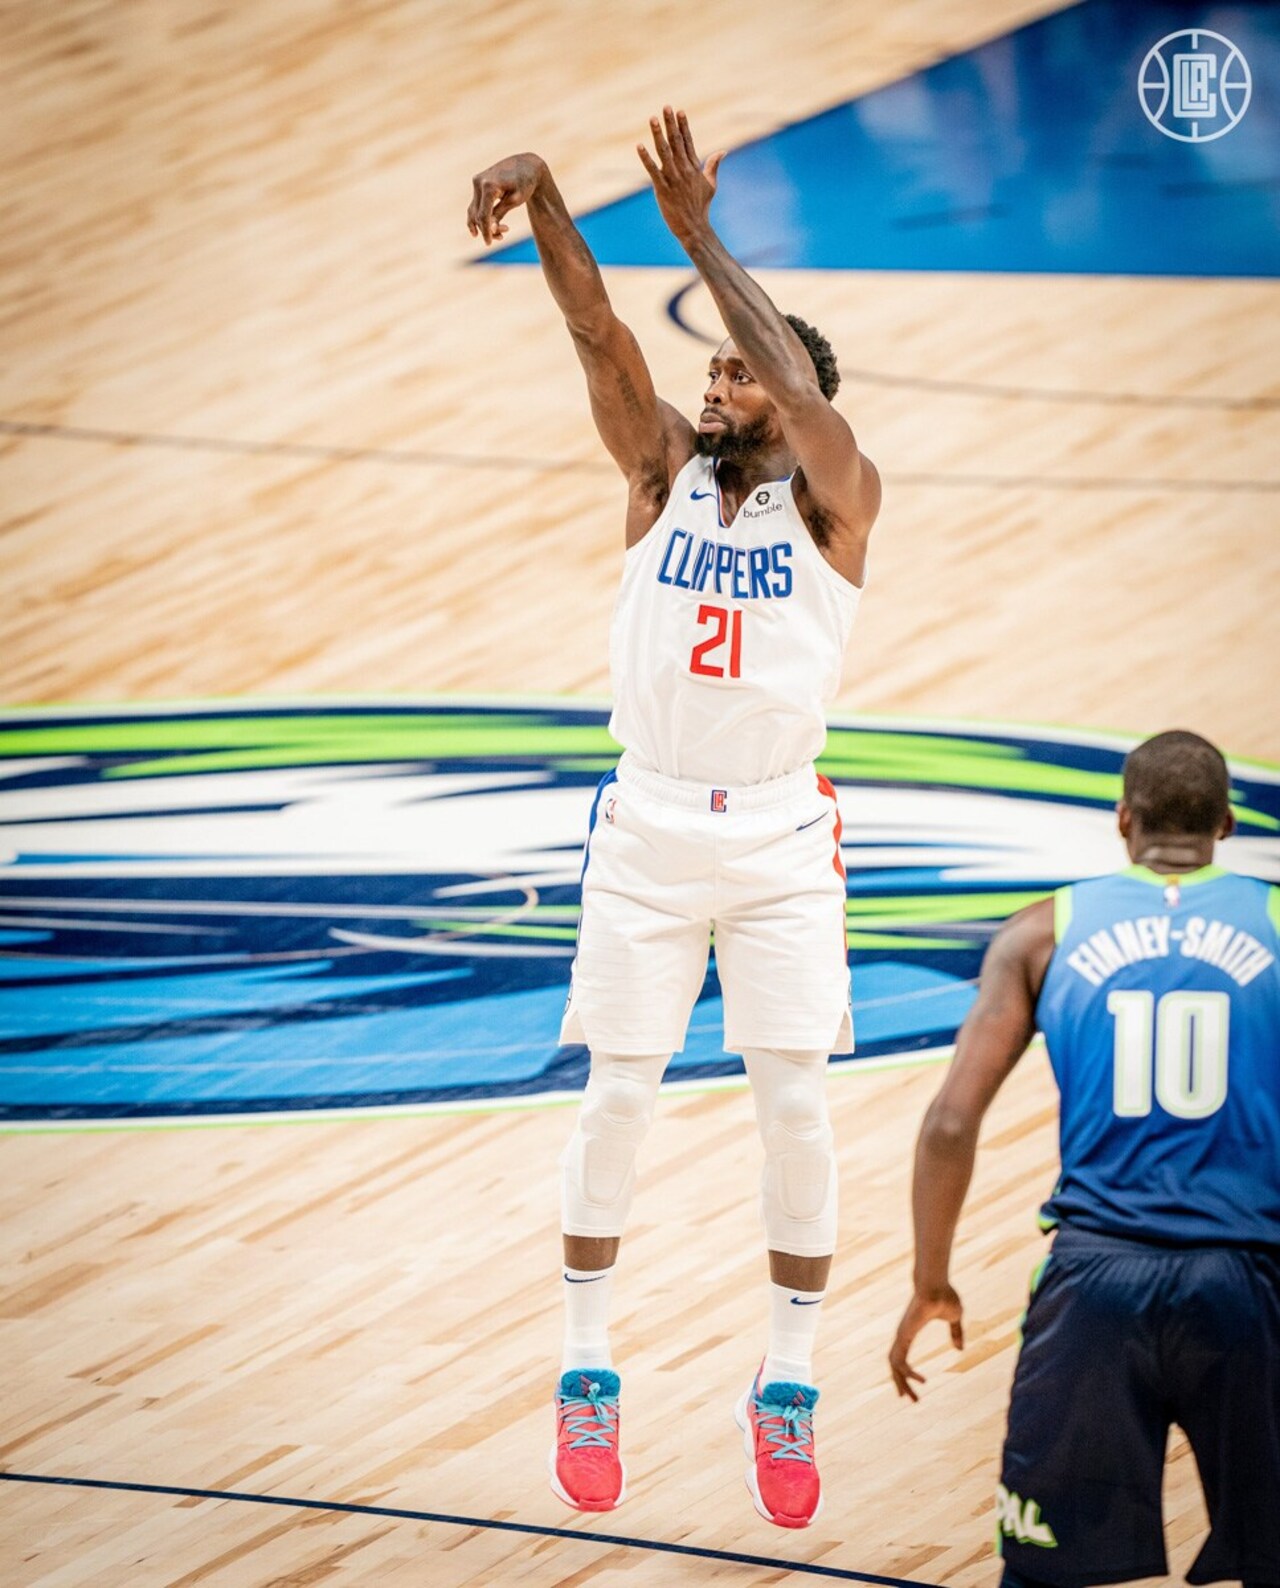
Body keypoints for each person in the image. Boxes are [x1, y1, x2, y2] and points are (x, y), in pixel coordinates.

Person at [468, 107, 881, 1527]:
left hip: (777, 840)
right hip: (647, 828)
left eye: (741, 375)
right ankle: (588, 1371)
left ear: (792, 398)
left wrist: (702, 233)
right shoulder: (659, 477)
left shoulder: (836, 502)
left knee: (796, 1107)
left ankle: (786, 1387)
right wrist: (548, 202)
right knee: (619, 1091)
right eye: (712, 369)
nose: (717, 387)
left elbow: (803, 401)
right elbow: (599, 341)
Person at [889, 729, 1280, 1588]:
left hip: (1096, 1284)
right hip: (1249, 1285)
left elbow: (950, 1124)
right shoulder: (1277, 922)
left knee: (1045, 1576)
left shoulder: (1041, 933)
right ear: (1225, 823)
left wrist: (932, 1280)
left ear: (1122, 820)